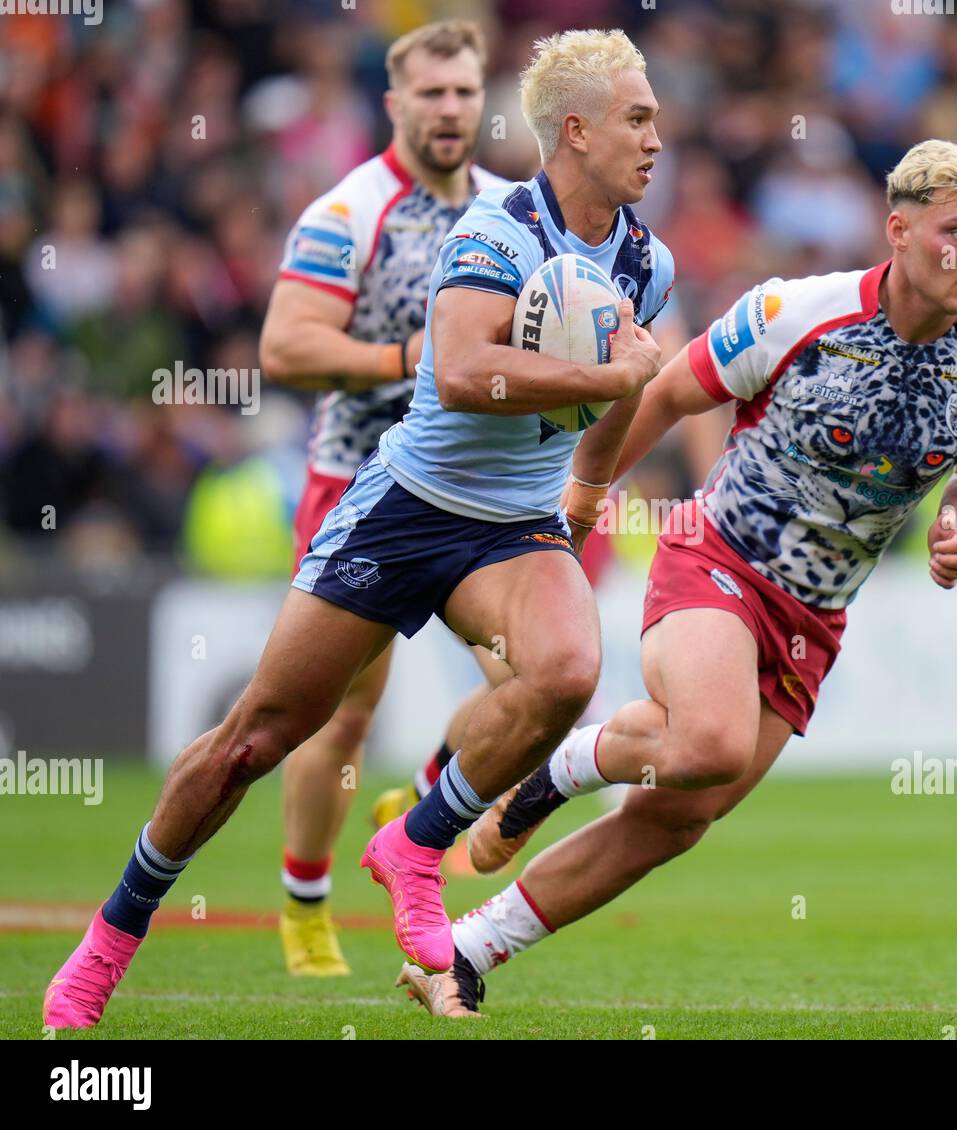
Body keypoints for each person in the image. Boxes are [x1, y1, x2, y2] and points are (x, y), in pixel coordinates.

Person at [42, 27, 672, 1029]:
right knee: (257, 738)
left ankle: (414, 841)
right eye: (637, 117)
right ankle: (108, 941)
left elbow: (630, 392)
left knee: (560, 675)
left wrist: (589, 487)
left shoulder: (647, 256)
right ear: (576, 129)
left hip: (512, 526)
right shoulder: (497, 231)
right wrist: (607, 378)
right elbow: (466, 374)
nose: (657, 135)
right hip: (406, 506)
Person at [397, 139, 957, 1018]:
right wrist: (583, 497)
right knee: (708, 745)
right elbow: (666, 394)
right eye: (956, 232)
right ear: (898, 230)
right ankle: (557, 771)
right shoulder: (793, 312)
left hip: (816, 615)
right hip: (718, 553)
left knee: (676, 820)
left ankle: (466, 954)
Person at [261, 19, 512, 978]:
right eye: (432, 93)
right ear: (395, 104)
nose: (450, 109)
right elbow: (285, 349)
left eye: (463, 92)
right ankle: (305, 907)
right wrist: (413, 360)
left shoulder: (508, 209)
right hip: (358, 486)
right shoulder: (347, 210)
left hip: (472, 488)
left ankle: (418, 802)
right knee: (340, 715)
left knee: (532, 685)